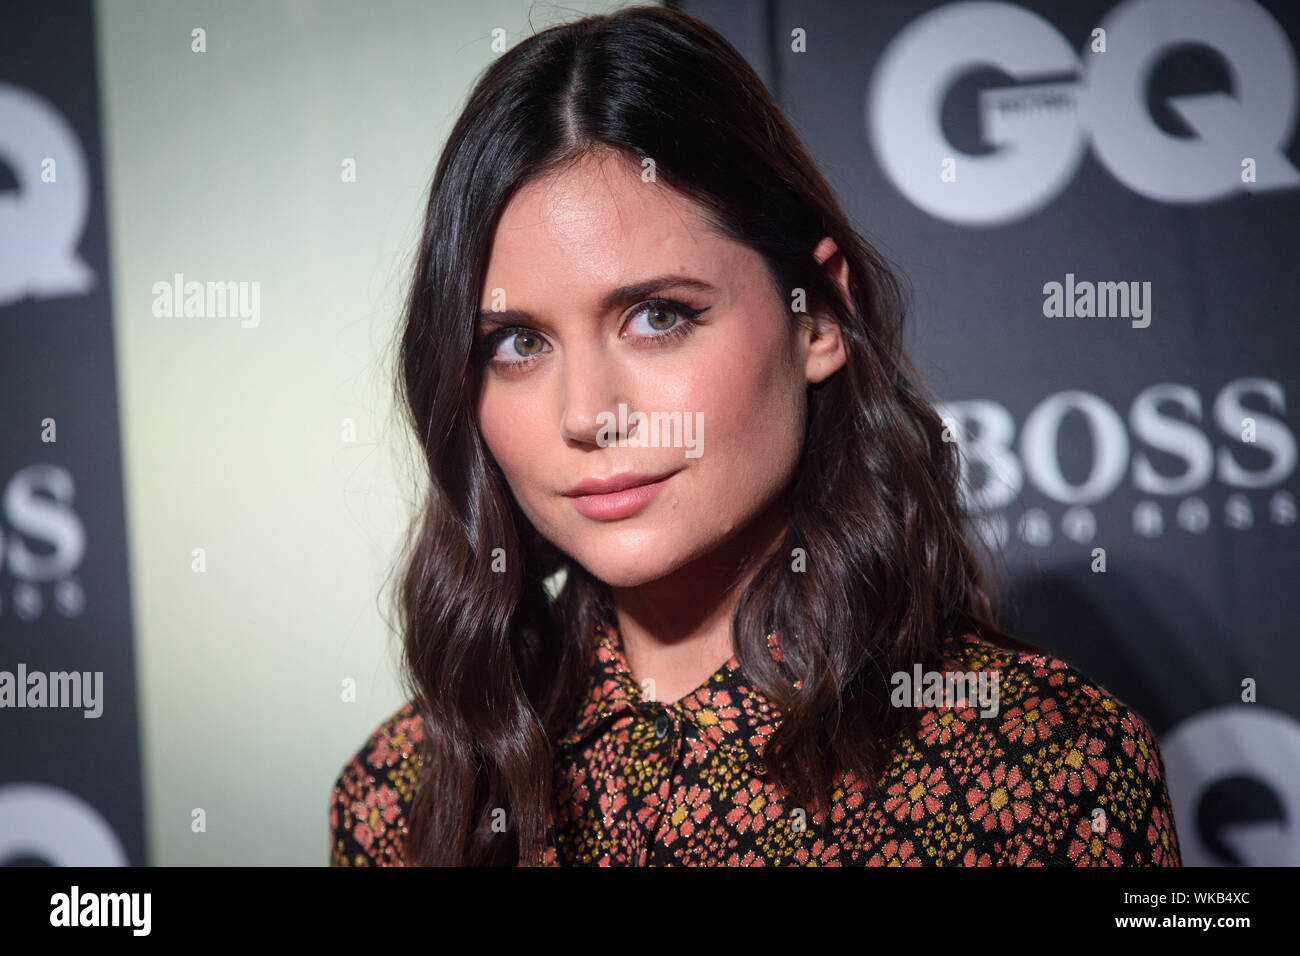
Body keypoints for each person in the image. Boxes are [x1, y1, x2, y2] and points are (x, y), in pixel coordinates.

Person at [329, 5, 1181, 867]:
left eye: (658, 316)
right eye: (517, 344)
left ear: (819, 318)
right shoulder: (400, 799)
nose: (587, 415)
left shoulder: (1044, 766)